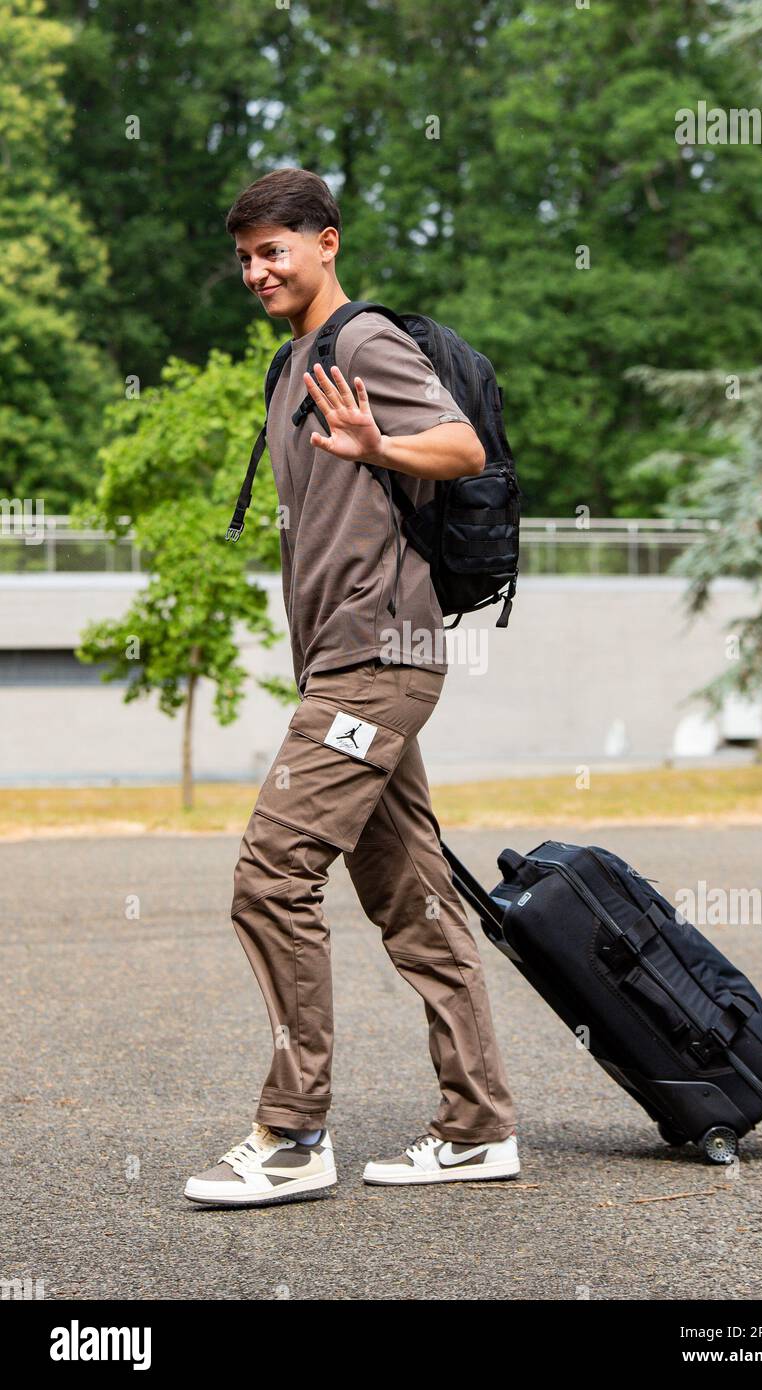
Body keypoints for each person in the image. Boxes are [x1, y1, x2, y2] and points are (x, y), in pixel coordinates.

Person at [184, 167, 517, 1207]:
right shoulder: (292, 367)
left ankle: (292, 1133)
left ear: (327, 242)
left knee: (271, 875)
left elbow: (461, 446)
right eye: (244, 256)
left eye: (274, 249)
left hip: (378, 662)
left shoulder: (364, 344)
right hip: (352, 660)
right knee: (411, 897)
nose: (256, 270)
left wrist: (381, 443)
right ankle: (477, 1128)